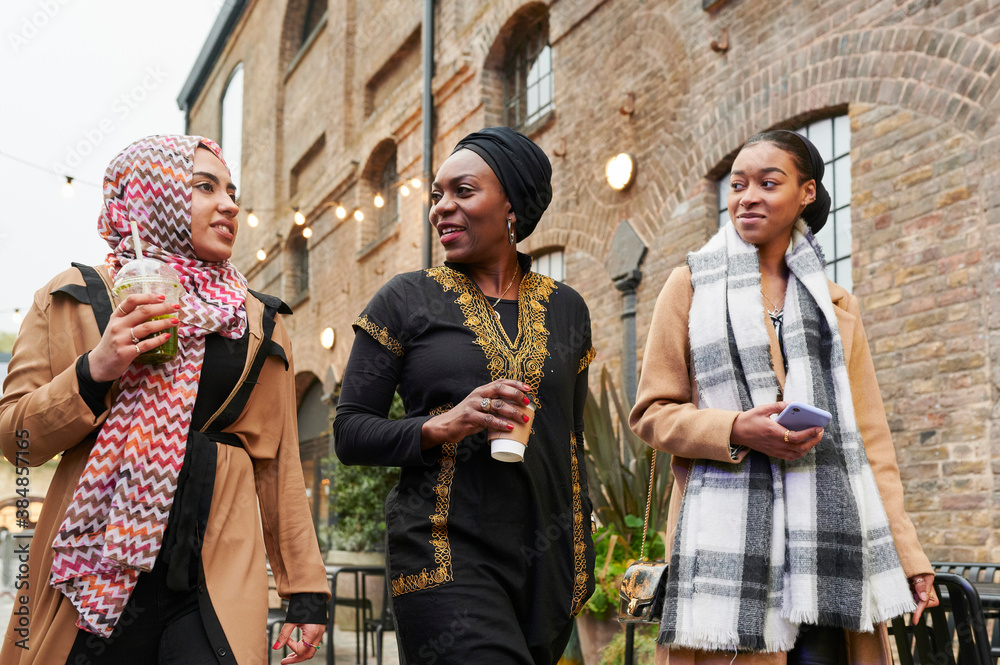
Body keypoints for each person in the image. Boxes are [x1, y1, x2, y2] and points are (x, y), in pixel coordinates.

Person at [0, 135, 329, 665]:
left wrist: (305, 593)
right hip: (95, 564)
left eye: (231, 191)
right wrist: (94, 369)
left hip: (216, 569)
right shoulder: (77, 295)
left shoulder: (259, 320)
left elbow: (277, 464)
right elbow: (16, 439)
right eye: (204, 187)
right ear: (152, 197)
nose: (229, 204)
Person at [629, 130, 938, 665]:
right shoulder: (690, 286)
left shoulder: (837, 305)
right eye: (738, 184)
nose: (747, 196)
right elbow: (653, 413)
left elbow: (870, 440)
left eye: (769, 183)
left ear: (807, 192)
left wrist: (909, 555)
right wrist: (733, 429)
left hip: (830, 557)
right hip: (728, 563)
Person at [333, 127, 596, 664]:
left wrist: (580, 553)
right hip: (443, 553)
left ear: (513, 207)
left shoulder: (569, 308)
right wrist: (442, 425)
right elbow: (349, 430)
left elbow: (573, 440)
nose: (441, 209)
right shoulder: (405, 300)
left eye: (463, 192)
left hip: (545, 563)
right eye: (436, 195)